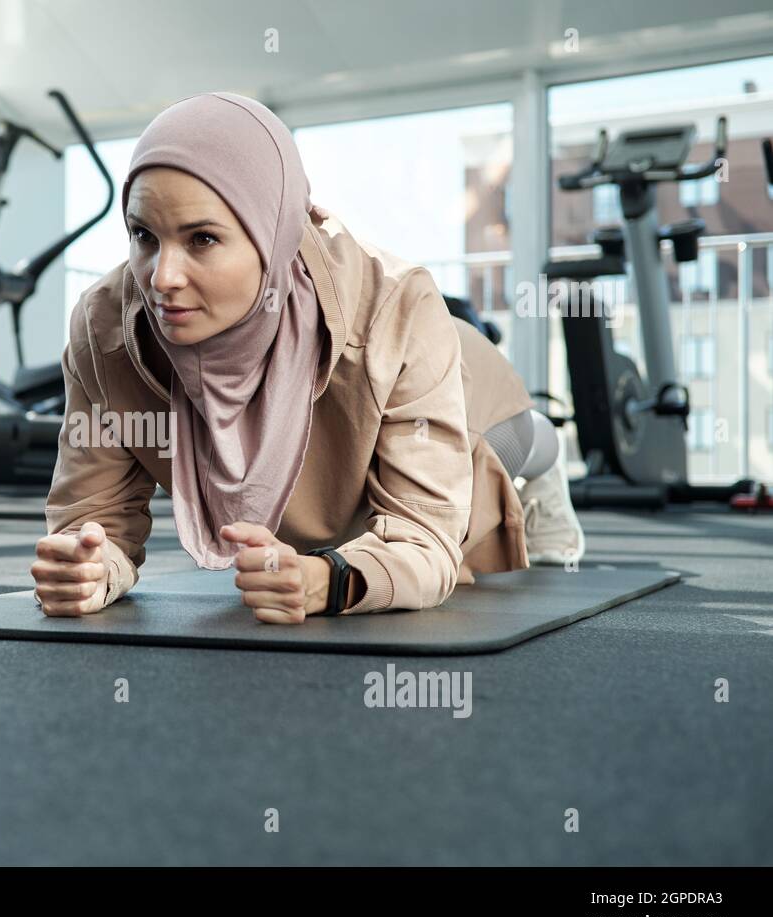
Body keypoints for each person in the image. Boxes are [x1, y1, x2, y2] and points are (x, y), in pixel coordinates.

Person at [31, 91, 584, 624]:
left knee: (513, 455)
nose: (163, 278)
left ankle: (544, 459)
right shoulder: (103, 330)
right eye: (143, 236)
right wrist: (89, 569)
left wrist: (332, 580)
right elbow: (93, 520)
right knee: (338, 533)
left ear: (273, 234)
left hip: (469, 395)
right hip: (330, 471)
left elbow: (423, 537)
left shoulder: (399, 307)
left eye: (201, 239)